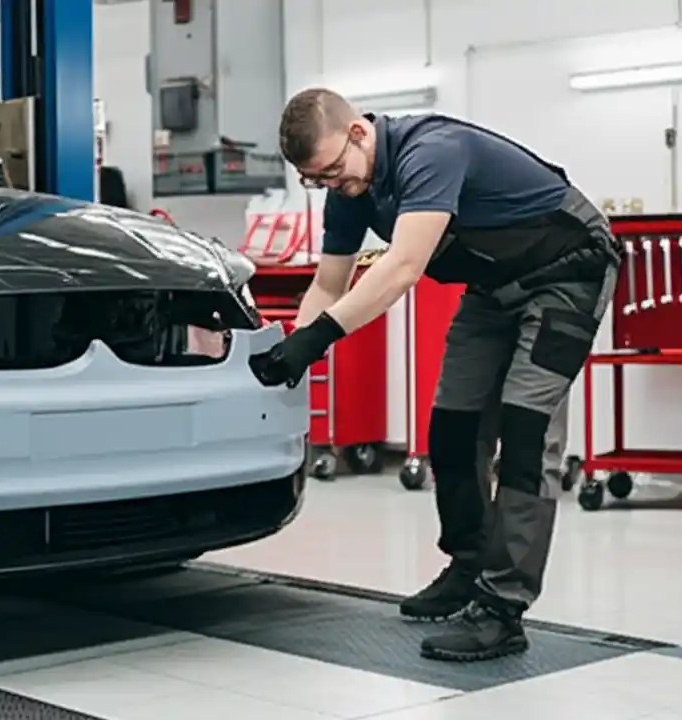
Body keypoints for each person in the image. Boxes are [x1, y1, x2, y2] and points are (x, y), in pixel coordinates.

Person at [252, 88, 619, 662]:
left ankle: (502, 609)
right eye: (314, 180)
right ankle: (468, 567)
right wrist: (297, 352)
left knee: (526, 434)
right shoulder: (350, 186)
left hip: (568, 274)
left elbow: (402, 268)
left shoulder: (431, 151)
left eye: (331, 171)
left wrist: (318, 338)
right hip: (494, 289)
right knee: (451, 428)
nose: (331, 185)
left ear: (357, 133)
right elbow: (328, 285)